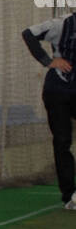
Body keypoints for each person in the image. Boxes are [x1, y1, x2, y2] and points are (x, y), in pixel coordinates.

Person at [22, 11, 76, 209]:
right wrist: (49, 61)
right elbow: (28, 33)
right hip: (58, 92)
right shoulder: (61, 25)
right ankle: (70, 196)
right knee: (62, 141)